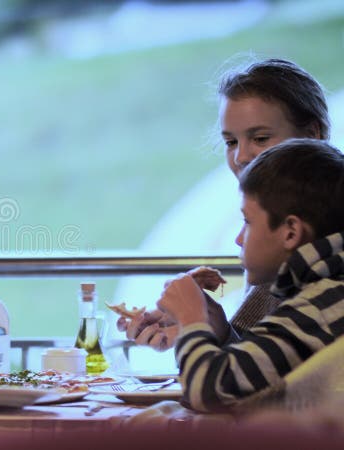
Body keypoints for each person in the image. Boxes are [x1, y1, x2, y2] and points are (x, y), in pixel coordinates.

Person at [121, 58, 331, 350]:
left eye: (259, 138)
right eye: (231, 142)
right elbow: (264, 364)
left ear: (312, 134)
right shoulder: (276, 221)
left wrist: (196, 331)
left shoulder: (319, 235)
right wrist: (207, 328)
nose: (241, 156)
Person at [157, 138, 344, 412]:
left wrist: (191, 321)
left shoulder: (320, 306)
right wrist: (219, 332)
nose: (239, 239)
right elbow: (259, 375)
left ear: (290, 232)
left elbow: (208, 392)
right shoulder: (322, 291)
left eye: (247, 221)